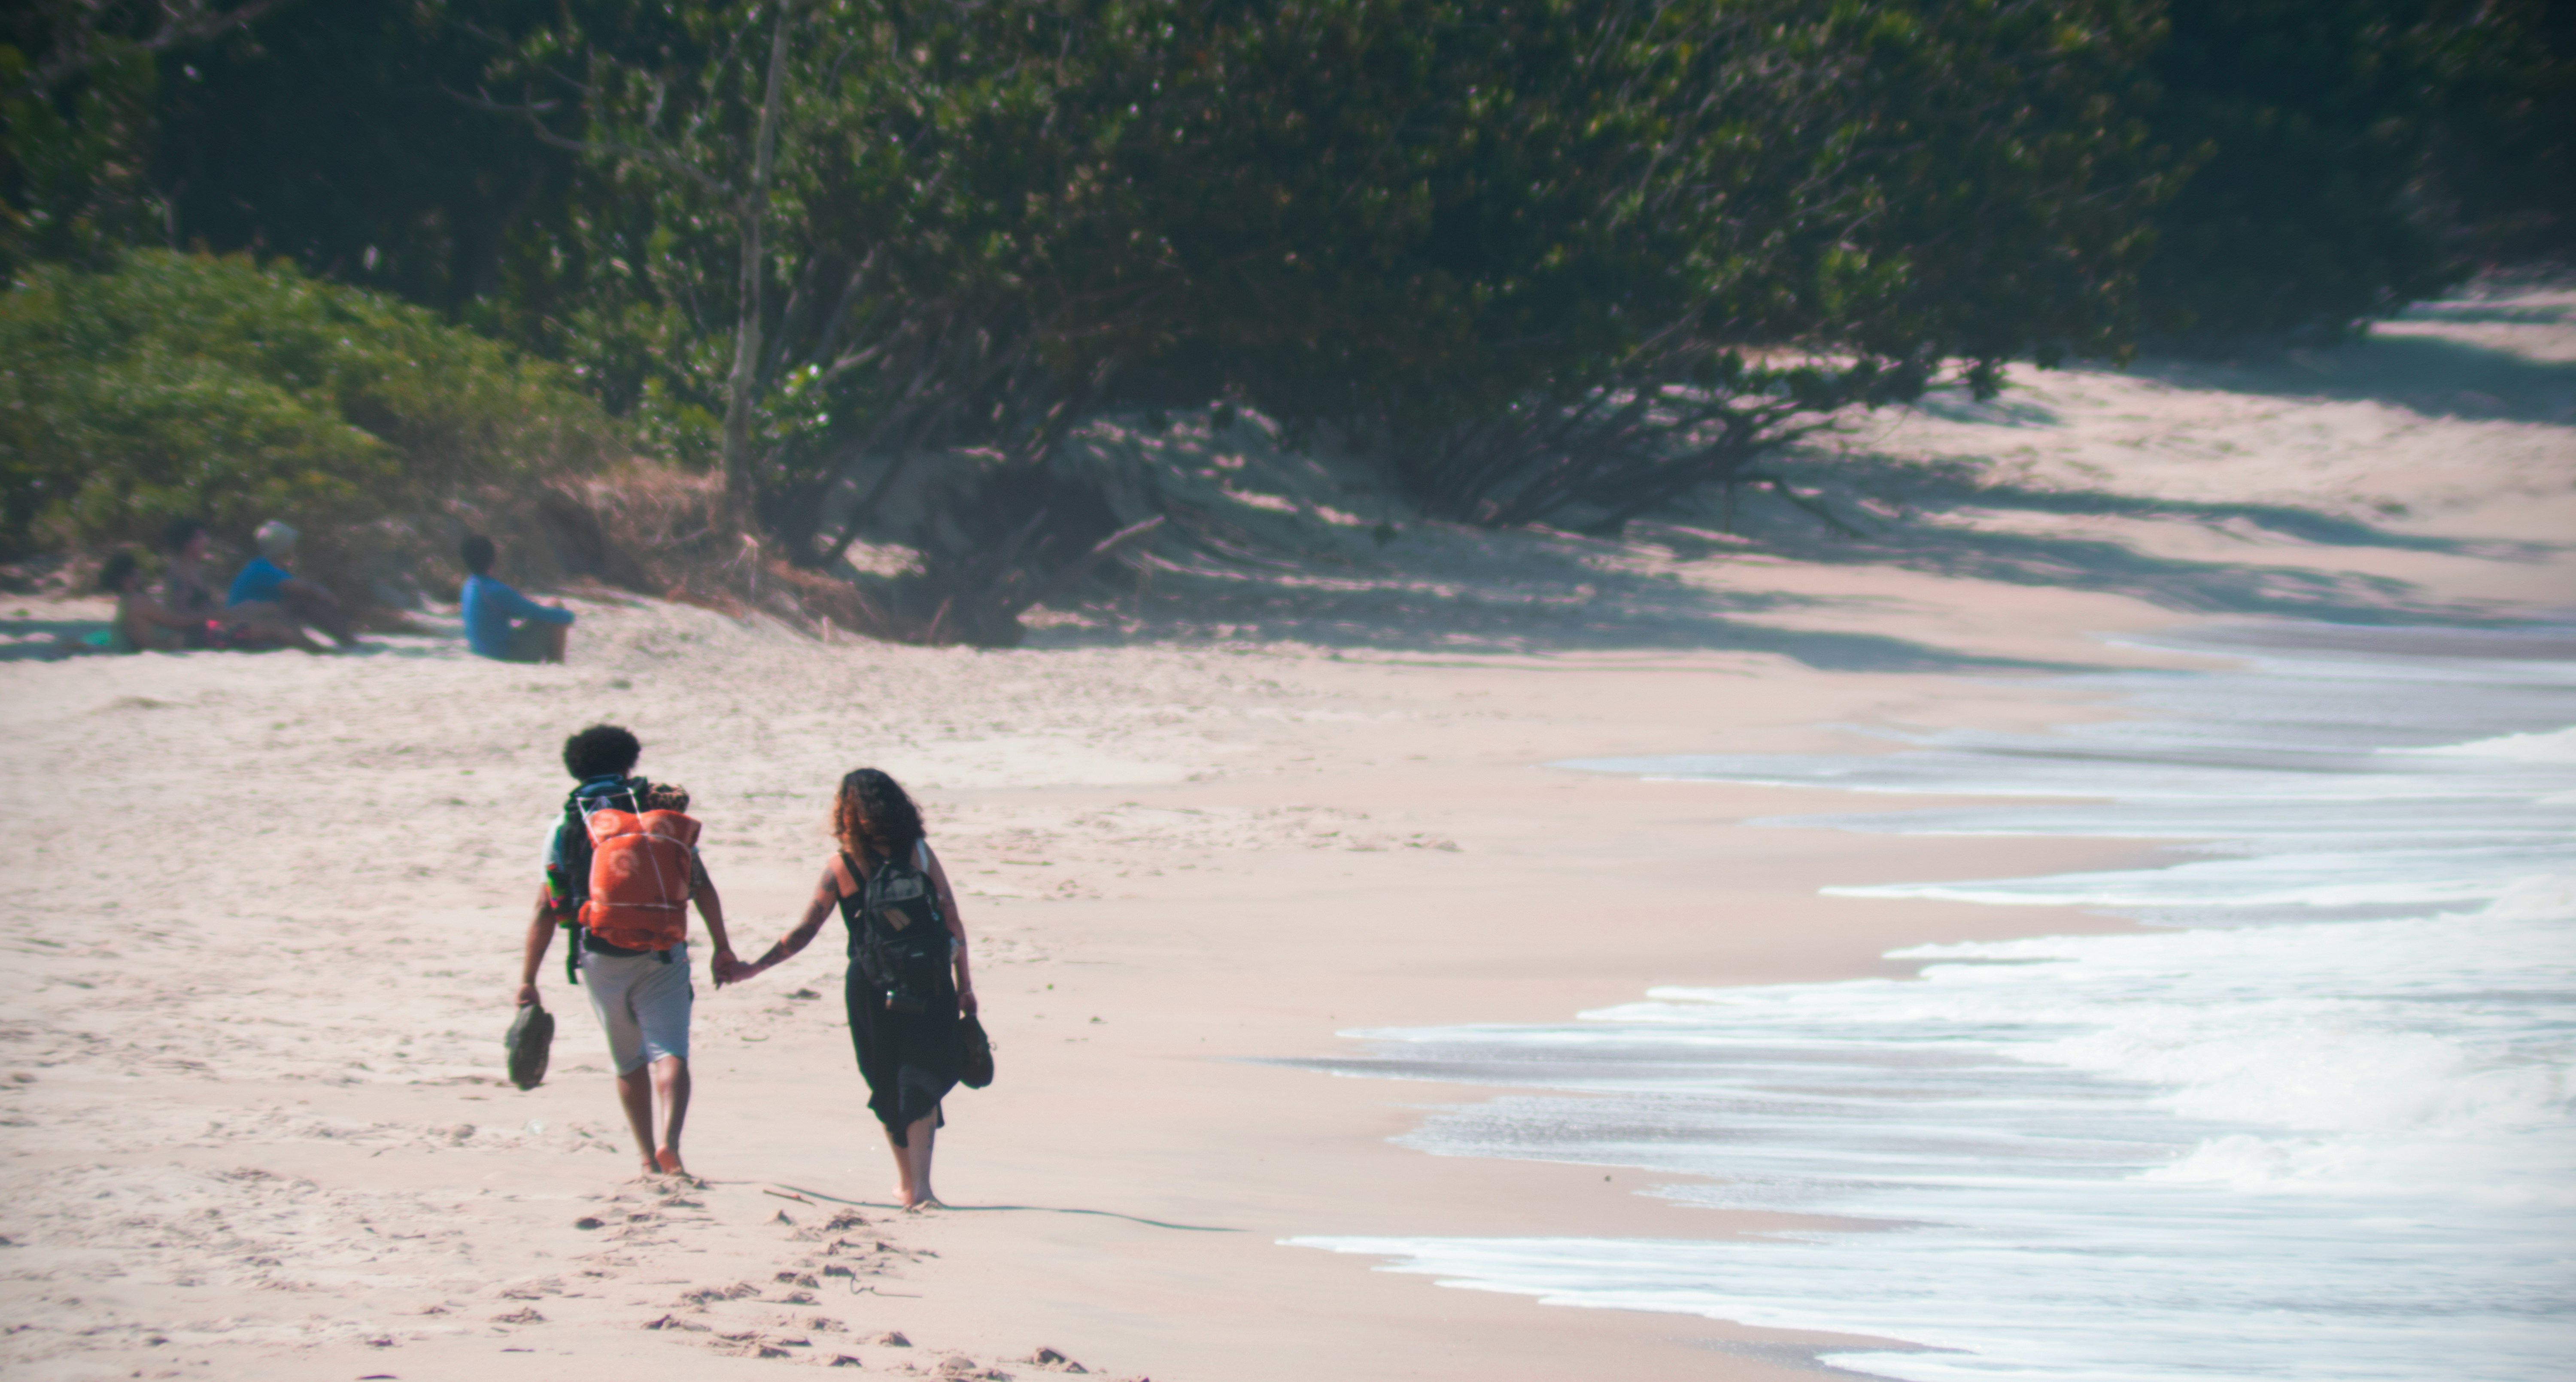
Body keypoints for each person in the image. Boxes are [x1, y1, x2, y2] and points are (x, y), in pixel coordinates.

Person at [722, 768, 977, 1209]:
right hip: (928, 977)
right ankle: (922, 1188)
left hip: (872, 984)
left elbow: (805, 931)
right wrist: (964, 984)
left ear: (847, 813)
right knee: (921, 1073)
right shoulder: (920, 853)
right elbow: (953, 921)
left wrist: (753, 969)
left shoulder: (843, 865)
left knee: (883, 1075)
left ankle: (904, 1183)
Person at [513, 724, 741, 1179]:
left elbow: (547, 904)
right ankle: (669, 1144)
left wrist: (528, 979)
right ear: (629, 763)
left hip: (598, 952)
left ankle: (644, 1157)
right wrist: (722, 946)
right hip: (663, 947)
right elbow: (700, 884)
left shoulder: (568, 822)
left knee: (627, 1059)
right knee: (670, 1050)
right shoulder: (656, 811)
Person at [227, 520, 359, 649]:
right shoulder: (263, 569)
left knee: (300, 600)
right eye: (291, 543)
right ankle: (347, 641)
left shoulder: (263, 566)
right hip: (246, 624)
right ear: (282, 546)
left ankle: (345, 640)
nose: (293, 547)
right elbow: (303, 588)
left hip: (256, 618)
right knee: (304, 601)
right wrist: (329, 596)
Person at [459, 534, 574, 663]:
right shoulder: (495, 590)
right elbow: (540, 614)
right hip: (506, 656)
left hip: (481, 654)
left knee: (547, 609)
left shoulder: (468, 587)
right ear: (493, 559)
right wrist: (569, 616)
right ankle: (557, 666)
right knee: (555, 606)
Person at [97, 551, 196, 653]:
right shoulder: (137, 601)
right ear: (130, 576)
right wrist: (206, 616)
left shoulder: (124, 602)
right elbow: (177, 622)